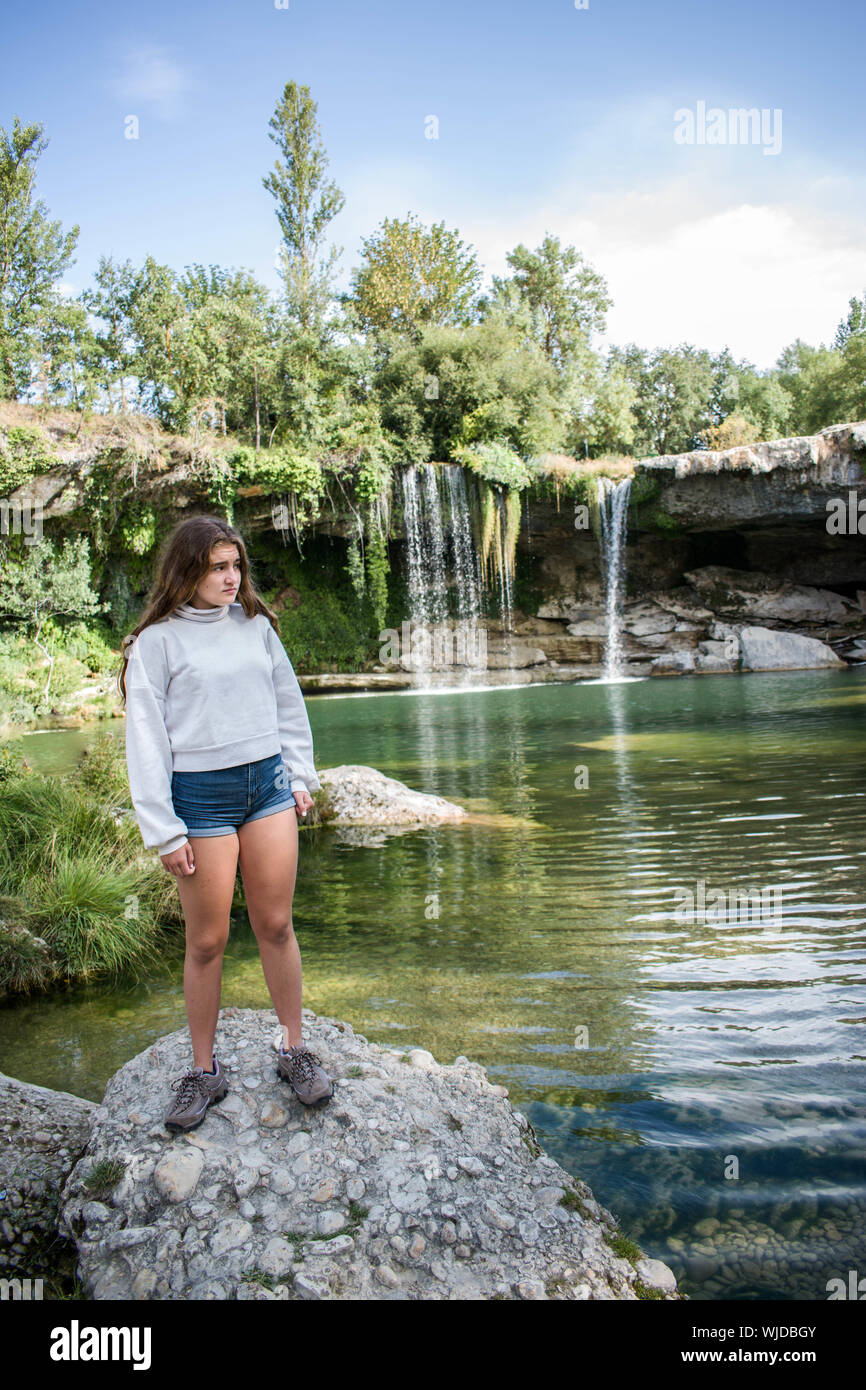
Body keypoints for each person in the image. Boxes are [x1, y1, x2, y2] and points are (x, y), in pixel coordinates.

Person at [118, 513, 333, 1132]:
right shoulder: (156, 643)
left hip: (266, 787)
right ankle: (204, 1070)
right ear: (187, 570)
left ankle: (293, 1049)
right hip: (199, 799)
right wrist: (164, 829)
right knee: (207, 941)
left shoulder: (255, 626)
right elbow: (146, 740)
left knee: (276, 924)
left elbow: (287, 702)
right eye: (218, 567)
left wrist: (299, 776)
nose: (232, 577)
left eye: (236, 565)